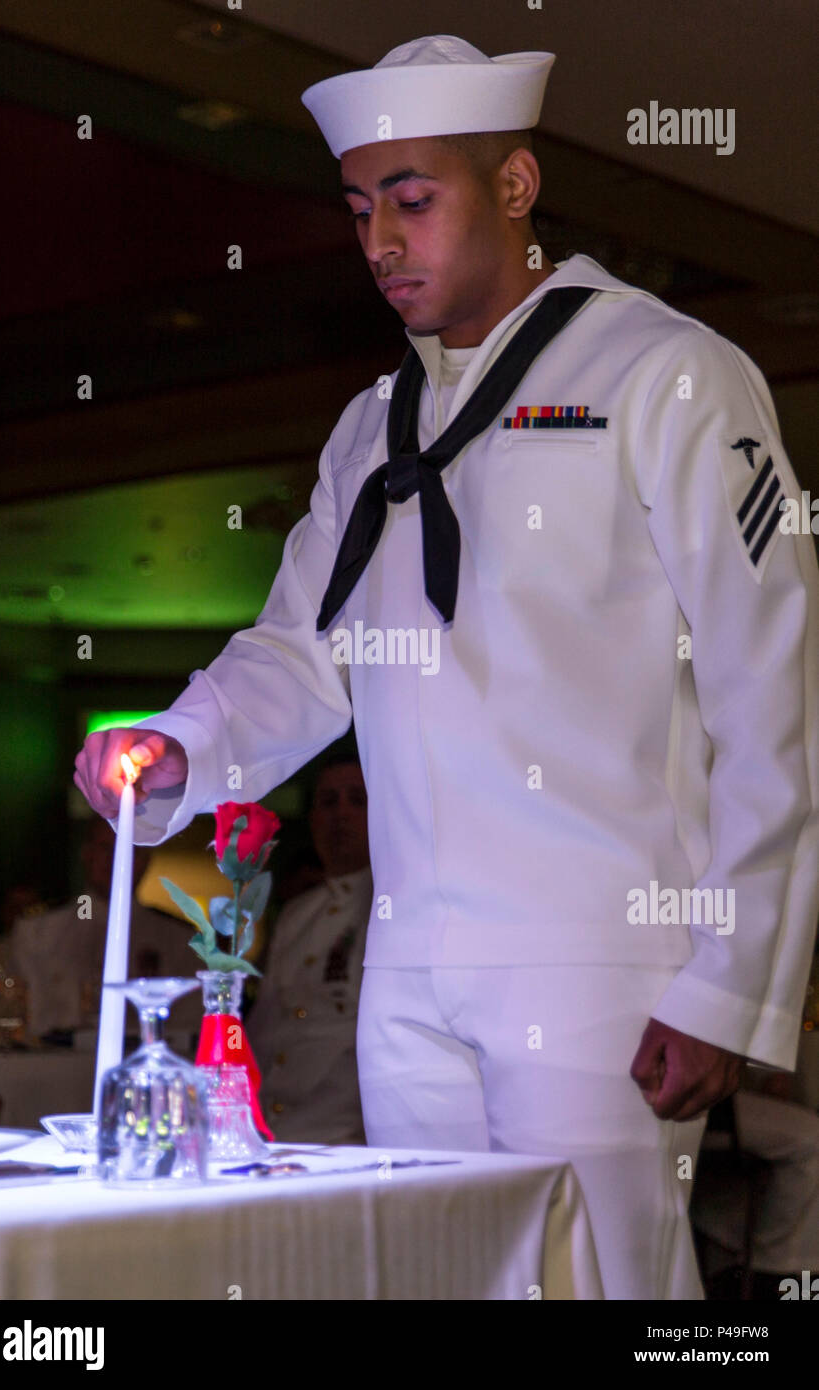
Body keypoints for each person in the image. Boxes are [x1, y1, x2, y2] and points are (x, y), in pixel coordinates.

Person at [74, 35, 819, 1299]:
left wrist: (730, 979)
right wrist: (182, 745)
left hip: (600, 952)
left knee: (608, 1291)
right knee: (428, 1283)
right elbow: (301, 654)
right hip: (408, 956)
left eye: (414, 201)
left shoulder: (663, 371)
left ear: (516, 184)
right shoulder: (372, 424)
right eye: (360, 209)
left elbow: (773, 684)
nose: (380, 242)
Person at [245, 753, 372, 1143]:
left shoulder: (394, 910)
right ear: (313, 818)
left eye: (357, 800)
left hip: (348, 1135)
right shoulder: (296, 915)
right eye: (328, 802)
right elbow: (265, 1027)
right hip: (270, 1131)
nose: (341, 815)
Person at [11, 816, 201, 1048]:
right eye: (106, 848)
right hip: (56, 1065)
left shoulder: (176, 938)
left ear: (146, 860)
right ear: (86, 853)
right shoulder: (41, 932)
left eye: (130, 850)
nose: (116, 860)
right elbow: (21, 1015)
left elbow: (189, 1025)